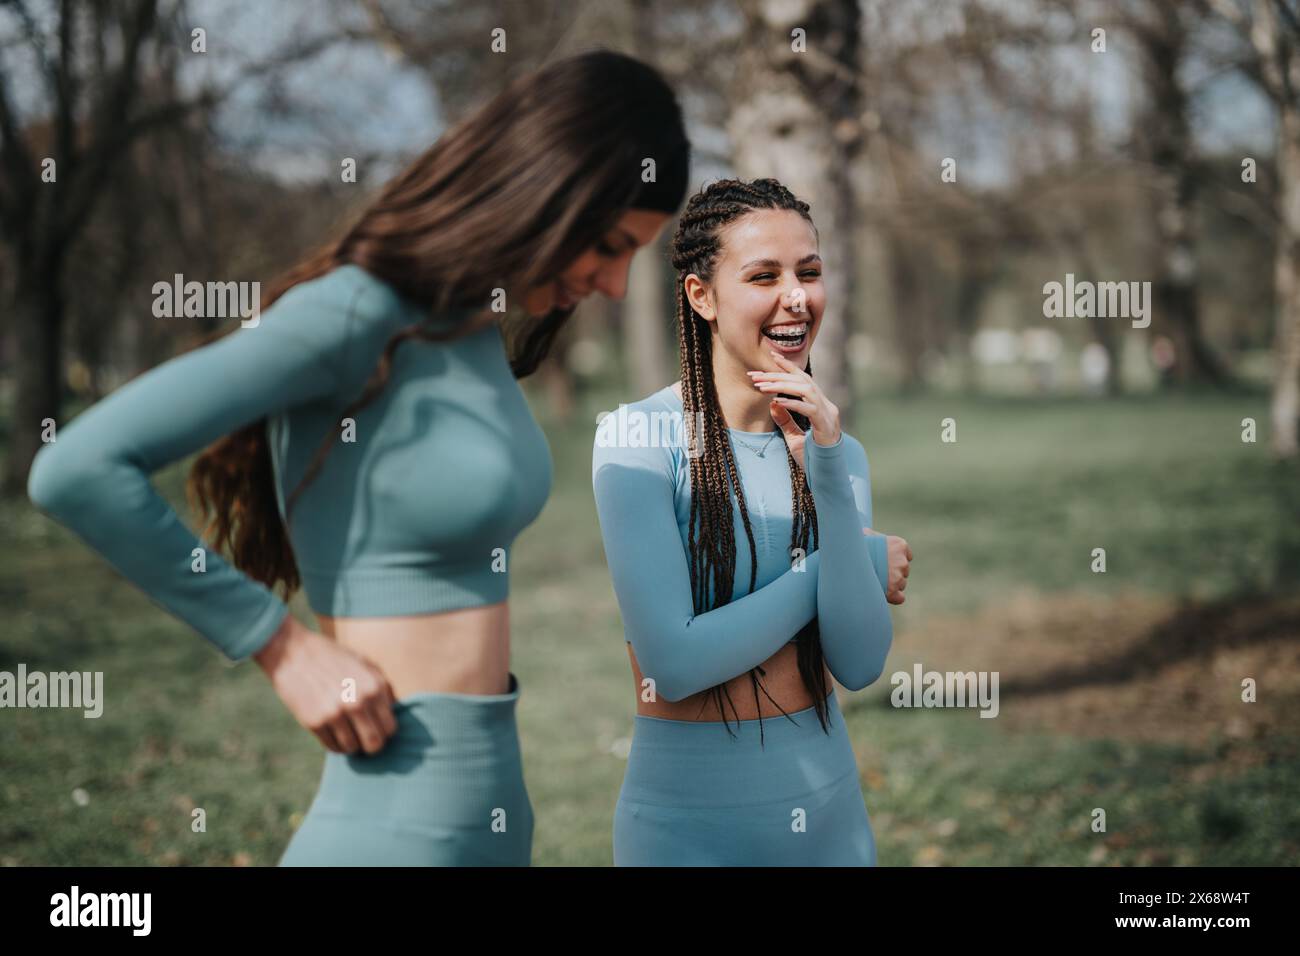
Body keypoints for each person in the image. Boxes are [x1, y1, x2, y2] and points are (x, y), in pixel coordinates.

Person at [27, 49, 690, 866]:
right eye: (614, 244)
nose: (620, 285)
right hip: (388, 832)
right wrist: (279, 644)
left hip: (490, 821)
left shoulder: (470, 331)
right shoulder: (356, 313)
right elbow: (76, 467)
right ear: (551, 188)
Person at [592, 177, 912, 866]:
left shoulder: (839, 453)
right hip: (686, 833)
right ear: (700, 295)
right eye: (764, 275)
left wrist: (825, 469)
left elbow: (859, 664)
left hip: (832, 823)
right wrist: (842, 561)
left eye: (810, 272)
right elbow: (674, 664)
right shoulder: (637, 439)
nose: (795, 297)